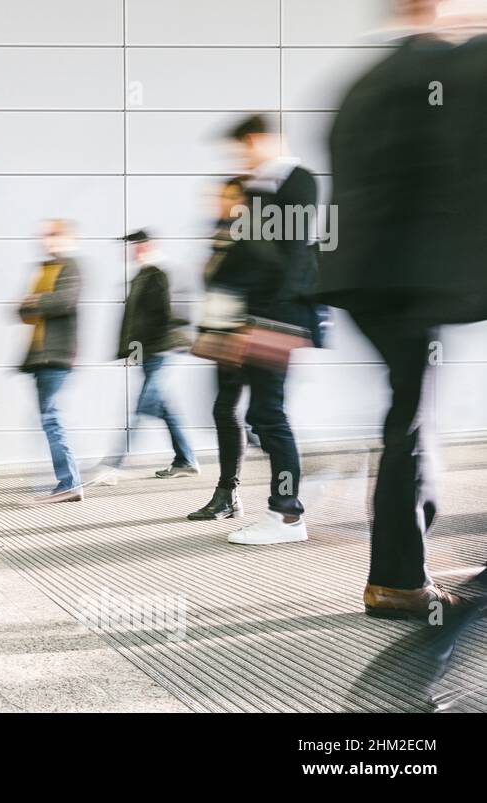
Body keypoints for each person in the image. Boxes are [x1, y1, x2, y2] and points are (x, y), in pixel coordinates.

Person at [317, 0, 487, 618]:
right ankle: (396, 577)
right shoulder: (448, 66)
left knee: (409, 411)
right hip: (416, 276)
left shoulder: (361, 82)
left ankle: (401, 565)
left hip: (365, 281)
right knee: (409, 418)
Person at [187, 117, 318, 546]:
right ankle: (283, 508)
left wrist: (265, 322)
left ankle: (287, 515)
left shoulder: (294, 181)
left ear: (260, 141)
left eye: (243, 149)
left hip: (273, 319)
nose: (240, 159)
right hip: (258, 320)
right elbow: (246, 256)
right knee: (261, 414)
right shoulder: (263, 186)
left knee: (269, 416)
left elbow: (292, 256)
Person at [88, 228, 196, 486]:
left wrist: (158, 346)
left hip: (160, 351)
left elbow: (173, 316)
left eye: (136, 245)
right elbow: (135, 321)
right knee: (162, 407)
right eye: (130, 246)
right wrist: (129, 350)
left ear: (149, 245)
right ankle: (186, 461)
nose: (132, 250)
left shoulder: (162, 273)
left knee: (141, 406)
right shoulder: (141, 276)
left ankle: (112, 465)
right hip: (147, 353)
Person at [19, 219, 83, 503]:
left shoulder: (71, 267)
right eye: (45, 235)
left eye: (54, 235)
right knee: (49, 418)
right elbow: (22, 311)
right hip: (39, 358)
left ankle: (69, 483)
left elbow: (64, 302)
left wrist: (36, 300)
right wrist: (33, 302)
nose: (48, 240)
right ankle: (68, 482)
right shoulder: (44, 269)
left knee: (51, 418)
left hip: (56, 356)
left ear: (68, 238)